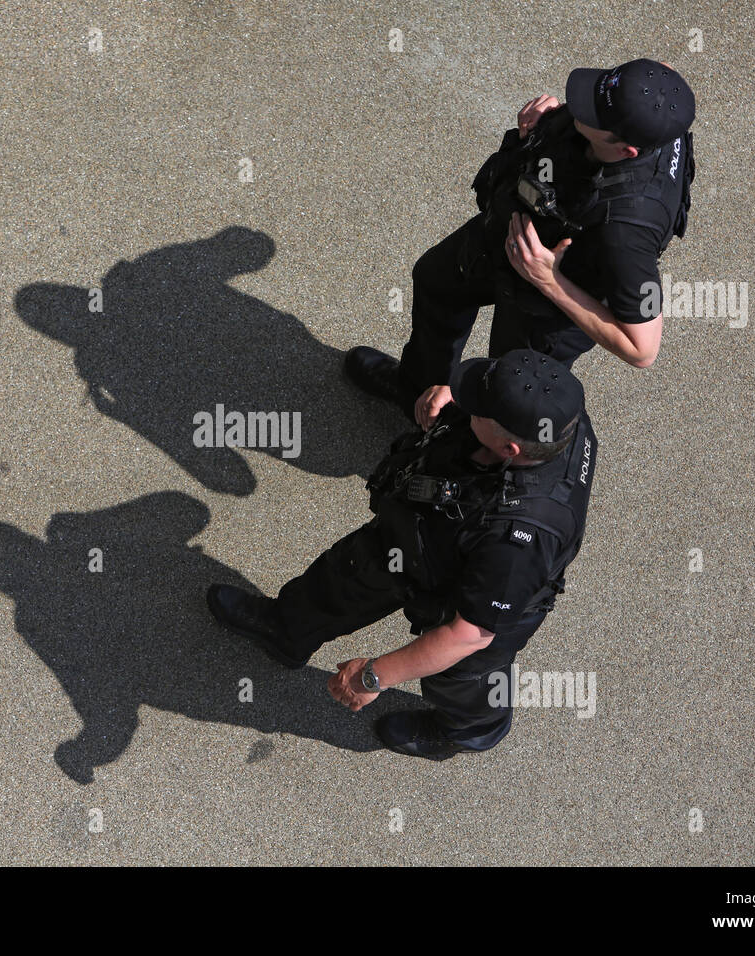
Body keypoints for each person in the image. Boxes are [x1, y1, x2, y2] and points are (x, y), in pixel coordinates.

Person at [207, 349, 597, 759]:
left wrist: (373, 677)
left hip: (473, 593)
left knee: (461, 677)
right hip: (421, 535)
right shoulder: (559, 413)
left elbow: (469, 634)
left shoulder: (522, 539)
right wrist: (454, 394)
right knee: (342, 578)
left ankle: (468, 731)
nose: (465, 404)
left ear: (509, 449)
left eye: (476, 408)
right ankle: (285, 630)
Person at [346, 59, 696, 424]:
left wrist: (548, 279)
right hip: (512, 231)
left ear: (627, 151)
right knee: (436, 281)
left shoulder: (626, 233)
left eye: (591, 113)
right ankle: (415, 394)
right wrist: (539, 136)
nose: (576, 104)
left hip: (550, 302)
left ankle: (448, 443)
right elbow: (665, 69)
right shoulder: (659, 101)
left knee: (503, 394)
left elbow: (643, 349)